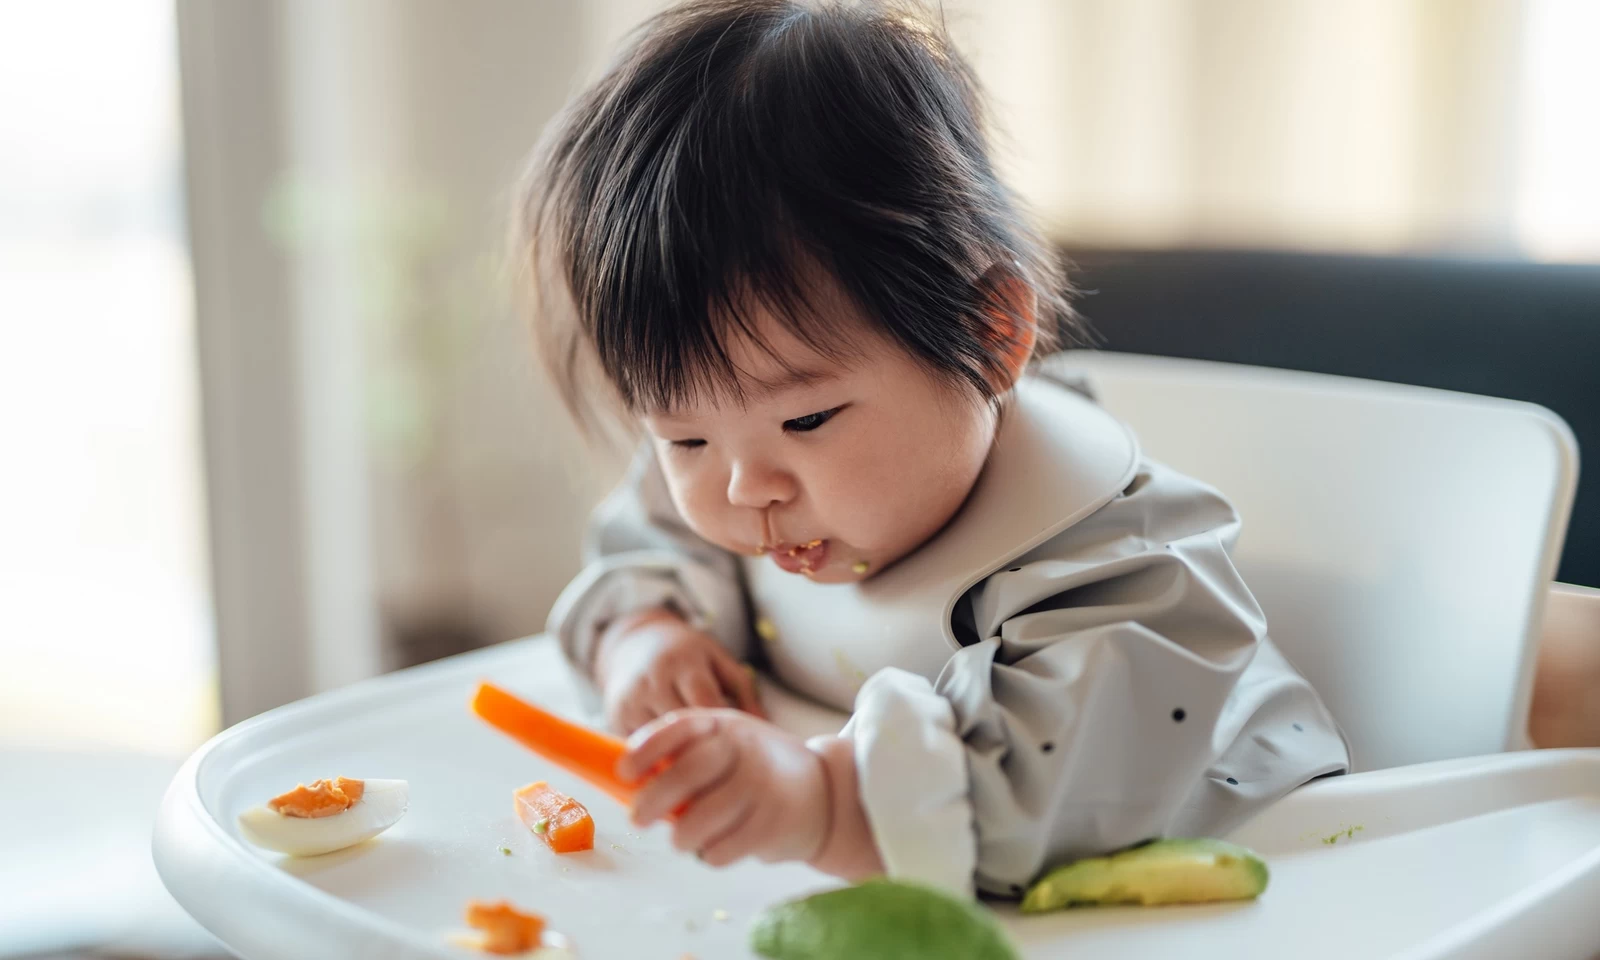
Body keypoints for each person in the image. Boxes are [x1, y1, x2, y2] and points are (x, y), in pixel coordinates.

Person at [517, 0, 1349, 898]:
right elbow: (655, 546)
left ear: (991, 333)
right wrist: (644, 637)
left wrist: (825, 802)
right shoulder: (748, 465)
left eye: (806, 421)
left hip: (1250, 877)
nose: (744, 487)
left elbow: (1058, 789)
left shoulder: (1123, 572)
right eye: (680, 433)